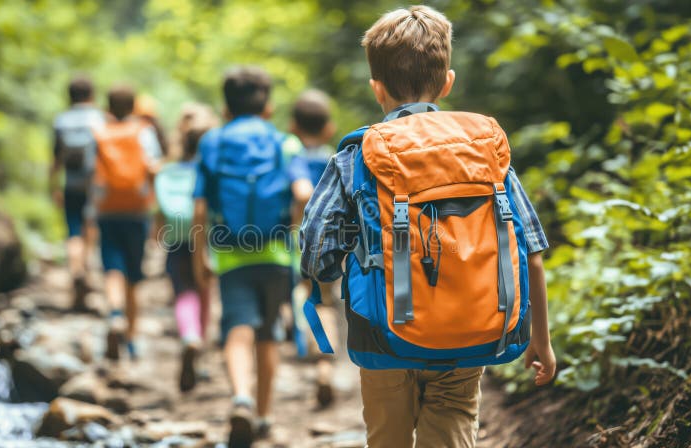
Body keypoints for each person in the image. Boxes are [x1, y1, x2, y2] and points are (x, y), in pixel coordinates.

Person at [299, 6, 556, 448]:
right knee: (453, 425)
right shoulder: (484, 150)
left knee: (387, 436)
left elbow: (316, 247)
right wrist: (540, 339)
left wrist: (329, 272)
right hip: (471, 328)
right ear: (448, 81)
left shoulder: (358, 156)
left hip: (383, 337)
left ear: (376, 88)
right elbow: (529, 247)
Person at [192, 66, 312, 446]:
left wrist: (200, 256)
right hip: (276, 253)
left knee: (237, 328)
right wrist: (292, 235)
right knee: (269, 334)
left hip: (229, 253)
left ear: (225, 108)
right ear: (268, 106)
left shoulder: (212, 142)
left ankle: (241, 397)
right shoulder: (284, 142)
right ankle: (262, 416)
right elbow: (304, 193)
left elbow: (198, 207)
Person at [91, 84, 163, 361]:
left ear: (107, 107)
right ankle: (131, 339)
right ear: (133, 107)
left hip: (106, 209)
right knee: (134, 276)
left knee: (112, 268)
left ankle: (115, 313)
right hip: (137, 210)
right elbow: (154, 167)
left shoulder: (99, 132)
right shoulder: (143, 131)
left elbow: (90, 172)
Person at [154, 103, 218, 392]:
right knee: (204, 292)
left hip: (177, 238)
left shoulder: (168, 171)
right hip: (209, 239)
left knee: (183, 293)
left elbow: (159, 213)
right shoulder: (212, 171)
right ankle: (200, 349)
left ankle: (189, 336)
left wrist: (157, 234)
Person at [289, 89, 340, 408]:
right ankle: (325, 362)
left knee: (308, 300)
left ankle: (318, 354)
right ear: (328, 128)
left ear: (293, 126)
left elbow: (302, 192)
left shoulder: (295, 157)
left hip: (302, 245)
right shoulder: (335, 157)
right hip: (333, 242)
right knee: (326, 303)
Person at [50, 76, 106, 310]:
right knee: (90, 226)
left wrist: (52, 185)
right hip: (95, 183)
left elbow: (56, 158)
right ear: (91, 95)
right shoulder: (98, 119)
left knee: (73, 229)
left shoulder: (61, 121)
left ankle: (76, 270)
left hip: (70, 182)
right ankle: (86, 266)